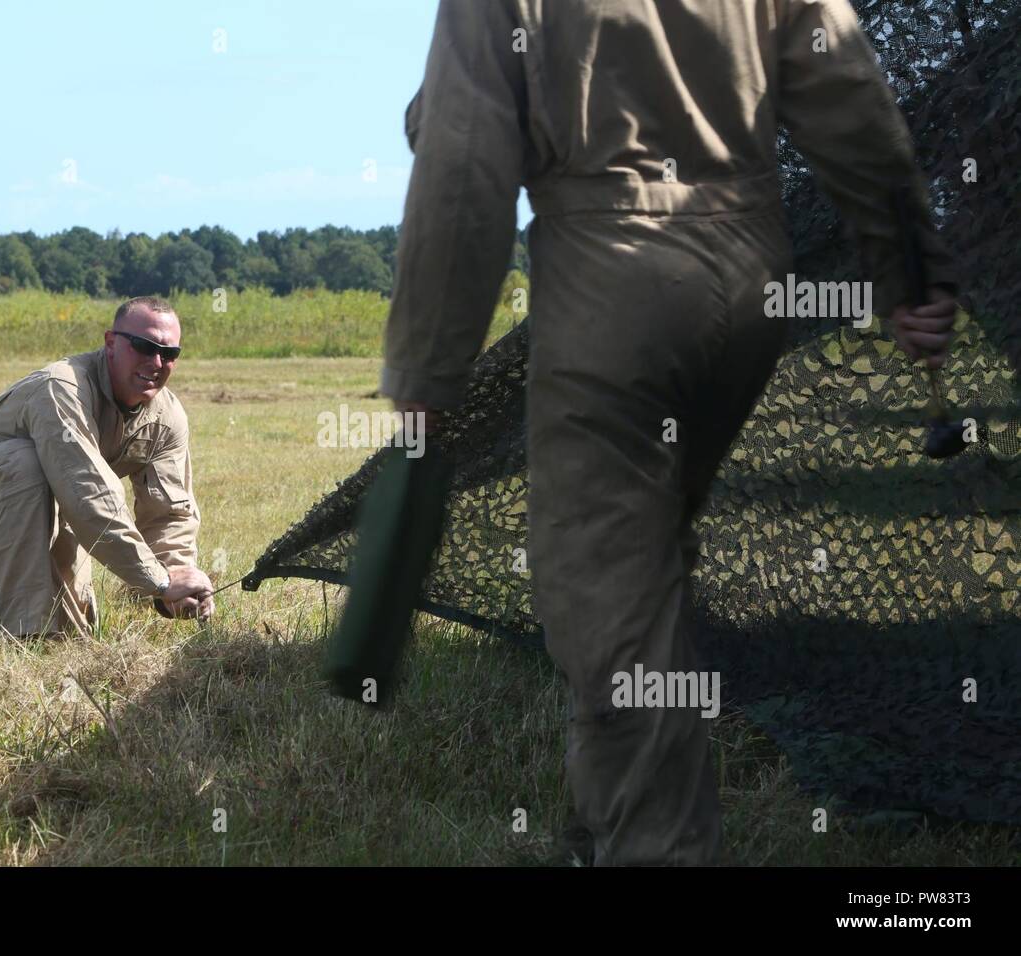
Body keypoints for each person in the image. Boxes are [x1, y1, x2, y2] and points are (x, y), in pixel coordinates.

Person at [381, 0, 959, 864]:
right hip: (749, 280)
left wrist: (428, 373)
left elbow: (464, 166)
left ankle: (654, 845)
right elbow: (852, 103)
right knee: (641, 564)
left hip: (610, 283)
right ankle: (601, 820)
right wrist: (908, 273)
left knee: (607, 596)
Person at [0, 296, 215, 639]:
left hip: (45, 492)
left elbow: (169, 512)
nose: (156, 362)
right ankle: (23, 635)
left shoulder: (168, 419)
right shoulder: (63, 387)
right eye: (143, 346)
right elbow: (87, 494)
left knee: (74, 632)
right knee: (27, 465)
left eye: (169, 354)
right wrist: (159, 581)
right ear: (111, 343)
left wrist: (179, 581)